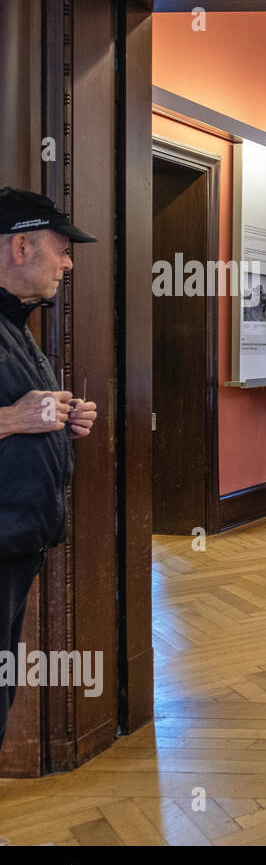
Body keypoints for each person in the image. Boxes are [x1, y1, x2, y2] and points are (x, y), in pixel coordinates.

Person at [0, 188, 99, 754]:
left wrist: (61, 422)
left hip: (16, 543)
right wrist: (15, 418)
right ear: (20, 247)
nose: (68, 264)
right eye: (62, 250)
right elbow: (14, 415)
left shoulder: (16, 323)